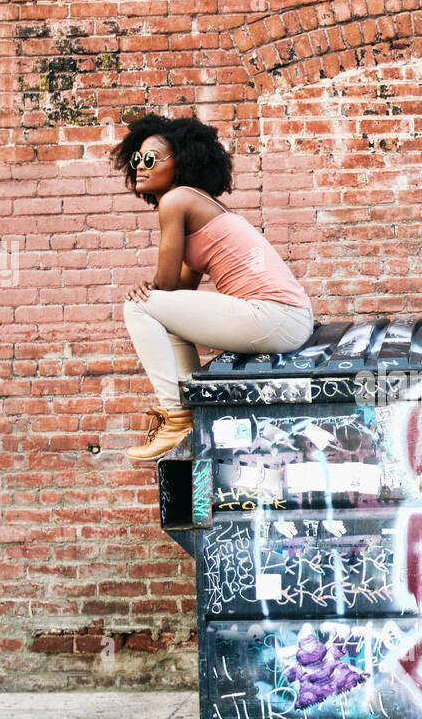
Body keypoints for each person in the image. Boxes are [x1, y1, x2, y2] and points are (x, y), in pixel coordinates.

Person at [111, 113, 314, 460]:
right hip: (286, 319)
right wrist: (157, 293)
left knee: (138, 306)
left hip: (273, 316)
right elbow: (176, 296)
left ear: (182, 163)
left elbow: (162, 287)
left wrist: (146, 291)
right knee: (162, 314)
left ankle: (176, 418)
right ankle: (194, 408)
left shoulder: (177, 201)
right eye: (135, 160)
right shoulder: (196, 206)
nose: (140, 167)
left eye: (150, 159)